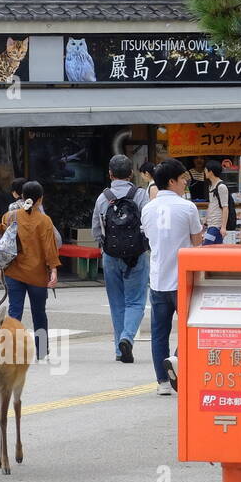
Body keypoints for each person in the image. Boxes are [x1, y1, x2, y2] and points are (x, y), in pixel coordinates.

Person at [140, 159, 203, 396]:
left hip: (158, 279)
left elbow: (148, 239)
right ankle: (177, 359)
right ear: (171, 181)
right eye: (183, 179)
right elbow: (197, 243)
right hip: (183, 280)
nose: (186, 182)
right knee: (190, 329)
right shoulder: (188, 208)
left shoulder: (147, 208)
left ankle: (162, 383)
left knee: (159, 333)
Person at [92, 154, 150, 363]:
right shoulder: (140, 195)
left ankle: (119, 349)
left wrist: (105, 247)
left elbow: (96, 231)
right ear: (131, 173)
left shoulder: (103, 197)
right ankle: (127, 338)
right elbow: (148, 223)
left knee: (116, 302)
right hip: (137, 255)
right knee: (135, 301)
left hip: (110, 255)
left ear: (110, 173)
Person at [0, 181, 60, 360]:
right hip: (37, 274)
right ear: (40, 199)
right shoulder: (45, 221)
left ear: (22, 197)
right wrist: (53, 270)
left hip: (13, 272)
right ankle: (40, 349)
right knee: (39, 312)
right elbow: (49, 248)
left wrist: (1, 266)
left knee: (14, 310)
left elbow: (2, 240)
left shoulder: (10, 217)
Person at [202, 159, 235, 245]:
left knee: (206, 246)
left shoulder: (221, 187)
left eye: (206, 169)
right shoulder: (211, 187)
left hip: (217, 226)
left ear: (211, 172)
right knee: (213, 249)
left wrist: (223, 227)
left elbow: (225, 207)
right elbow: (212, 204)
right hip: (211, 224)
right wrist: (205, 220)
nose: (204, 171)